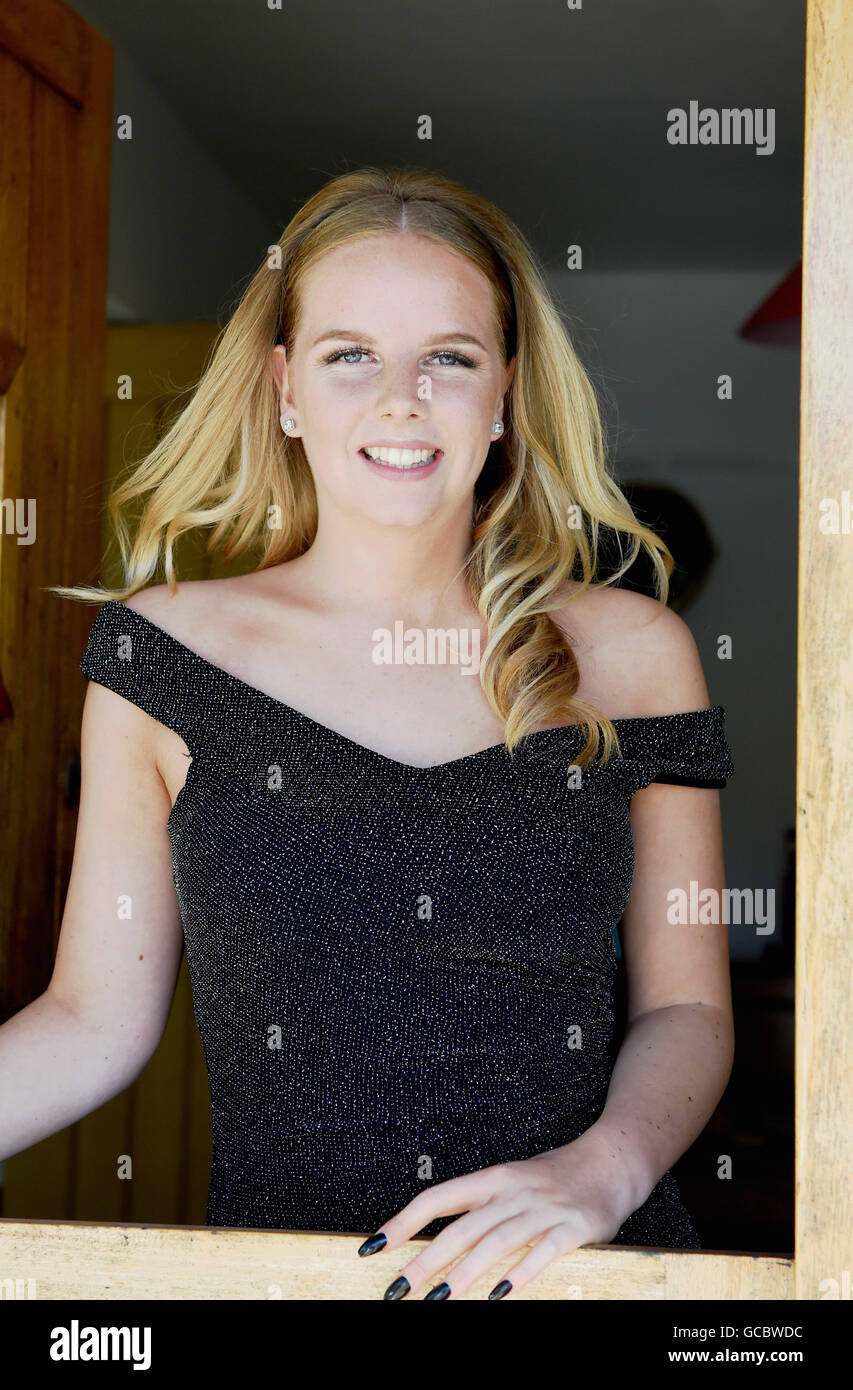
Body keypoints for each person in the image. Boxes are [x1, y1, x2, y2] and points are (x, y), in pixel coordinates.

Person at [3, 167, 735, 1300]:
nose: (402, 397)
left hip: (587, 1275)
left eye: (449, 356)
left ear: (503, 395)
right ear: (286, 387)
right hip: (298, 1283)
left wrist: (601, 1172)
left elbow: (686, 1006)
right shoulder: (166, 659)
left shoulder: (634, 654)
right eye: (351, 354)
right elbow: (92, 1019)